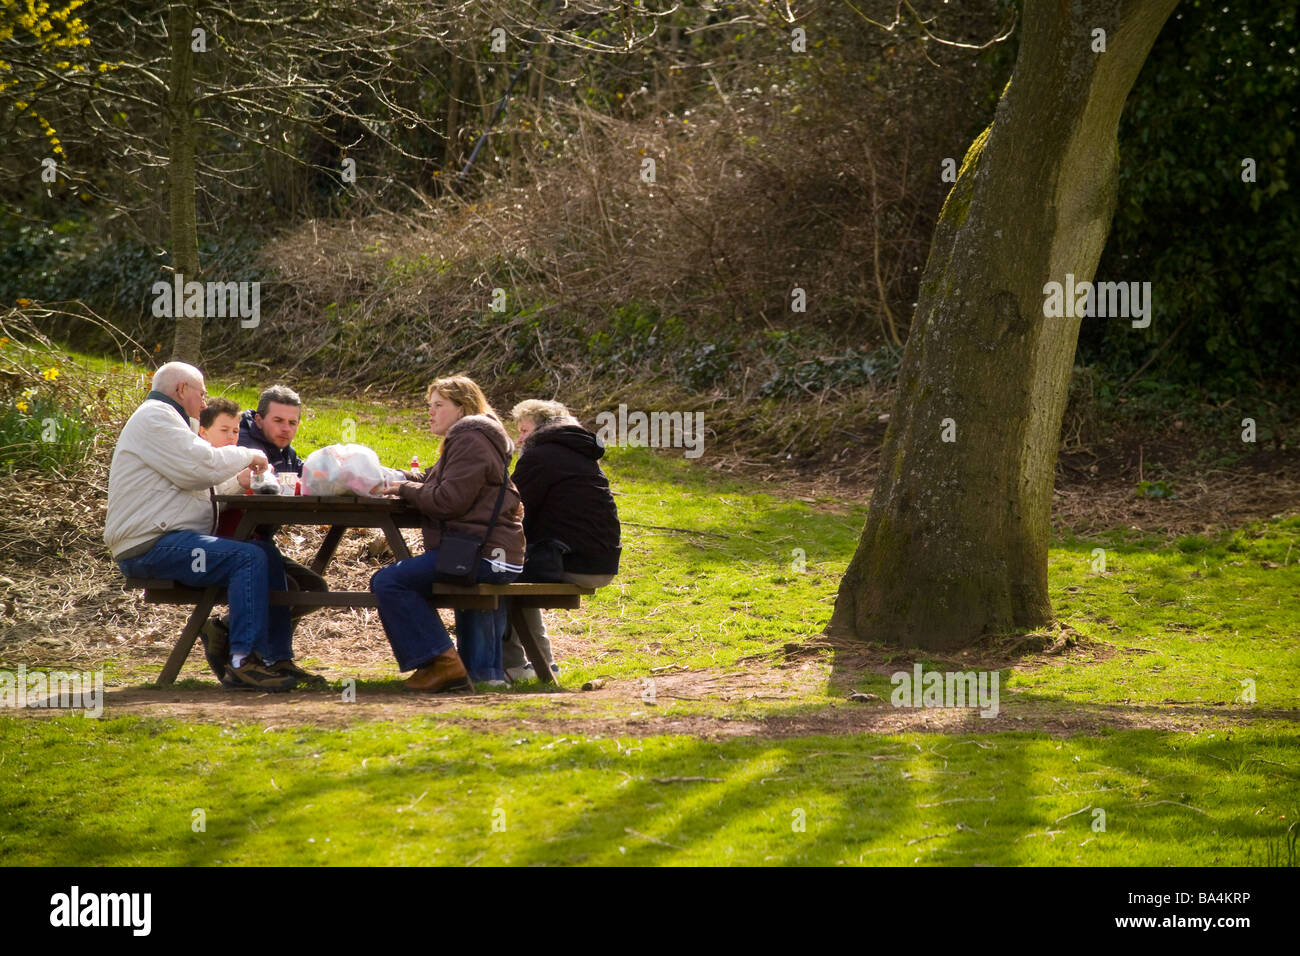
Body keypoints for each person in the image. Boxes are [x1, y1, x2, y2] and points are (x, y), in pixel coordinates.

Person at [104, 362, 307, 691]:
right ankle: (244, 662)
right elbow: (199, 467)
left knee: (264, 552)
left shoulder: (168, 423)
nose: (203, 403)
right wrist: (248, 455)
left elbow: (197, 485)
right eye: (202, 394)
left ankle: (276, 659)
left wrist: (236, 482)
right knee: (247, 558)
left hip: (170, 538)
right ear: (182, 389)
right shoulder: (156, 416)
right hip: (150, 545)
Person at [370, 375, 524, 692]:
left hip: (482, 555)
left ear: (462, 408)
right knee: (407, 578)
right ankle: (481, 675)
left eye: (439, 405)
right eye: (430, 406)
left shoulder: (470, 440)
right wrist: (394, 476)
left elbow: (446, 500)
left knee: (389, 581)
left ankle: (444, 663)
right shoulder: (474, 437)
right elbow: (434, 478)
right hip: (491, 552)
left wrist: (403, 488)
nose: (431, 413)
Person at [501, 400, 621, 681]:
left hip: (574, 559)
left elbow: (514, 507)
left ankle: (512, 664)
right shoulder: (578, 454)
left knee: (498, 571)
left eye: (523, 430)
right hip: (601, 560)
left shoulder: (541, 455)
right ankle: (543, 665)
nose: (518, 439)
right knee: (518, 569)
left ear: (542, 429)